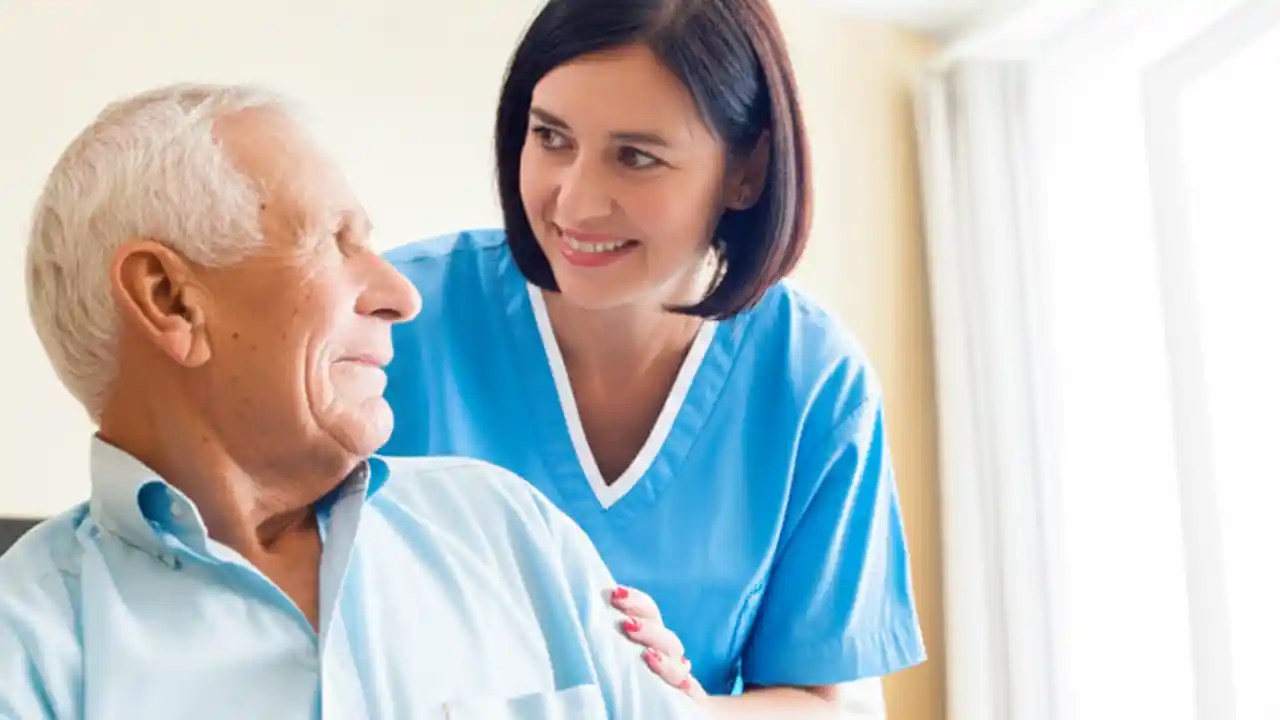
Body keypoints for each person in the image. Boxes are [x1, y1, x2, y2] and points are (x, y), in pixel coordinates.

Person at [0, 83, 705, 720]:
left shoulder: (513, 534)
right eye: (335, 243)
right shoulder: (26, 648)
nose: (402, 296)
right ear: (171, 300)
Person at [381, 0, 927, 716]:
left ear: (748, 171)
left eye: (636, 156)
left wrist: (667, 708)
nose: (575, 202)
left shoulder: (813, 380)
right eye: (551, 137)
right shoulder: (392, 323)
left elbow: (833, 703)